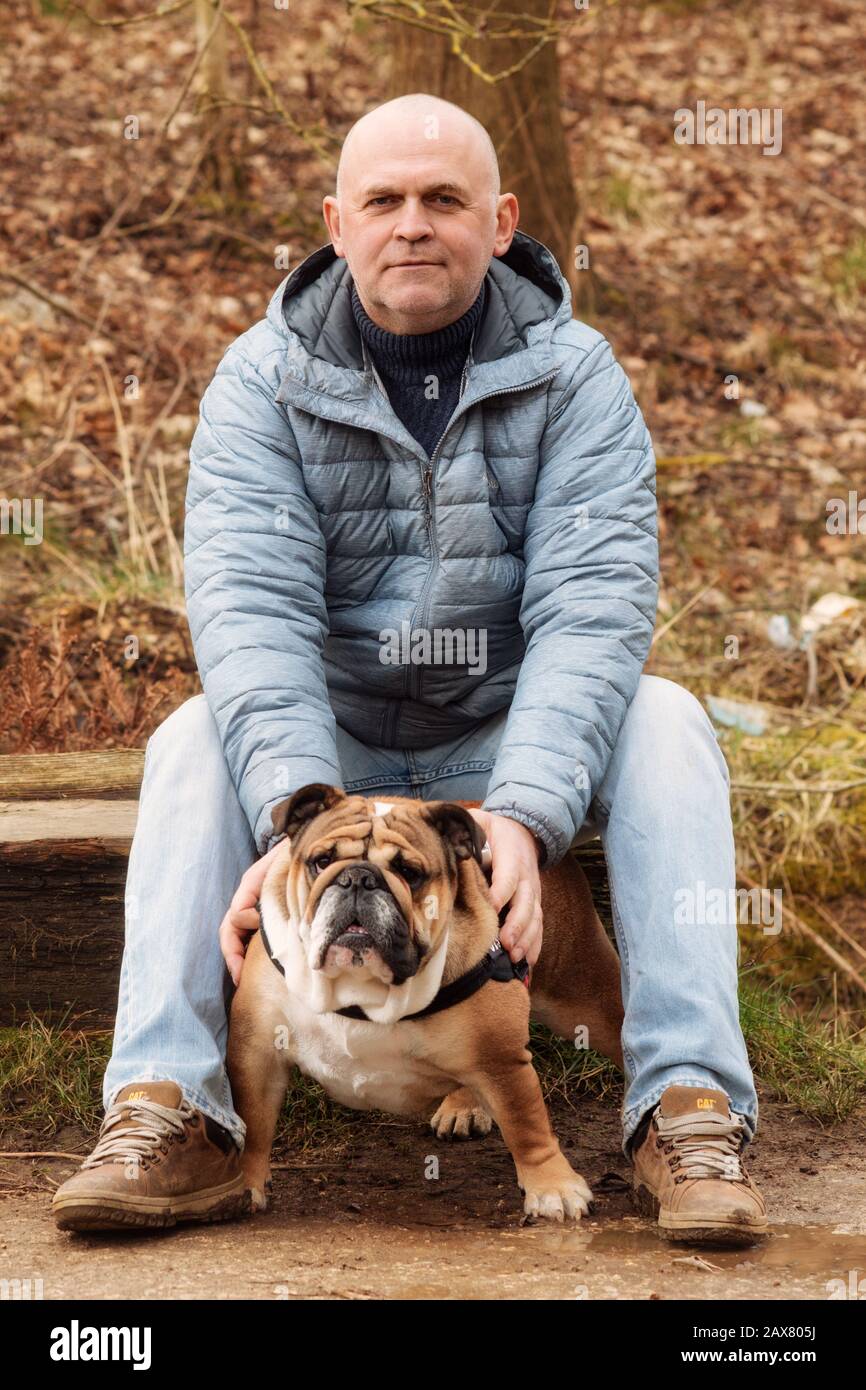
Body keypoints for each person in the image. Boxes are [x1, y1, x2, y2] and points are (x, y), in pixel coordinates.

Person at [52, 93, 766, 1244]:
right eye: (383, 200)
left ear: (502, 218)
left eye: (444, 200)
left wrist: (522, 817)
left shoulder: (576, 377)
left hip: (502, 732)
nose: (413, 224)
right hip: (330, 752)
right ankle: (171, 1108)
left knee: (671, 716)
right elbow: (251, 616)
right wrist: (291, 816)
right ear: (337, 223)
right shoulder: (260, 381)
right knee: (187, 737)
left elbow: (590, 613)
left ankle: (683, 1105)